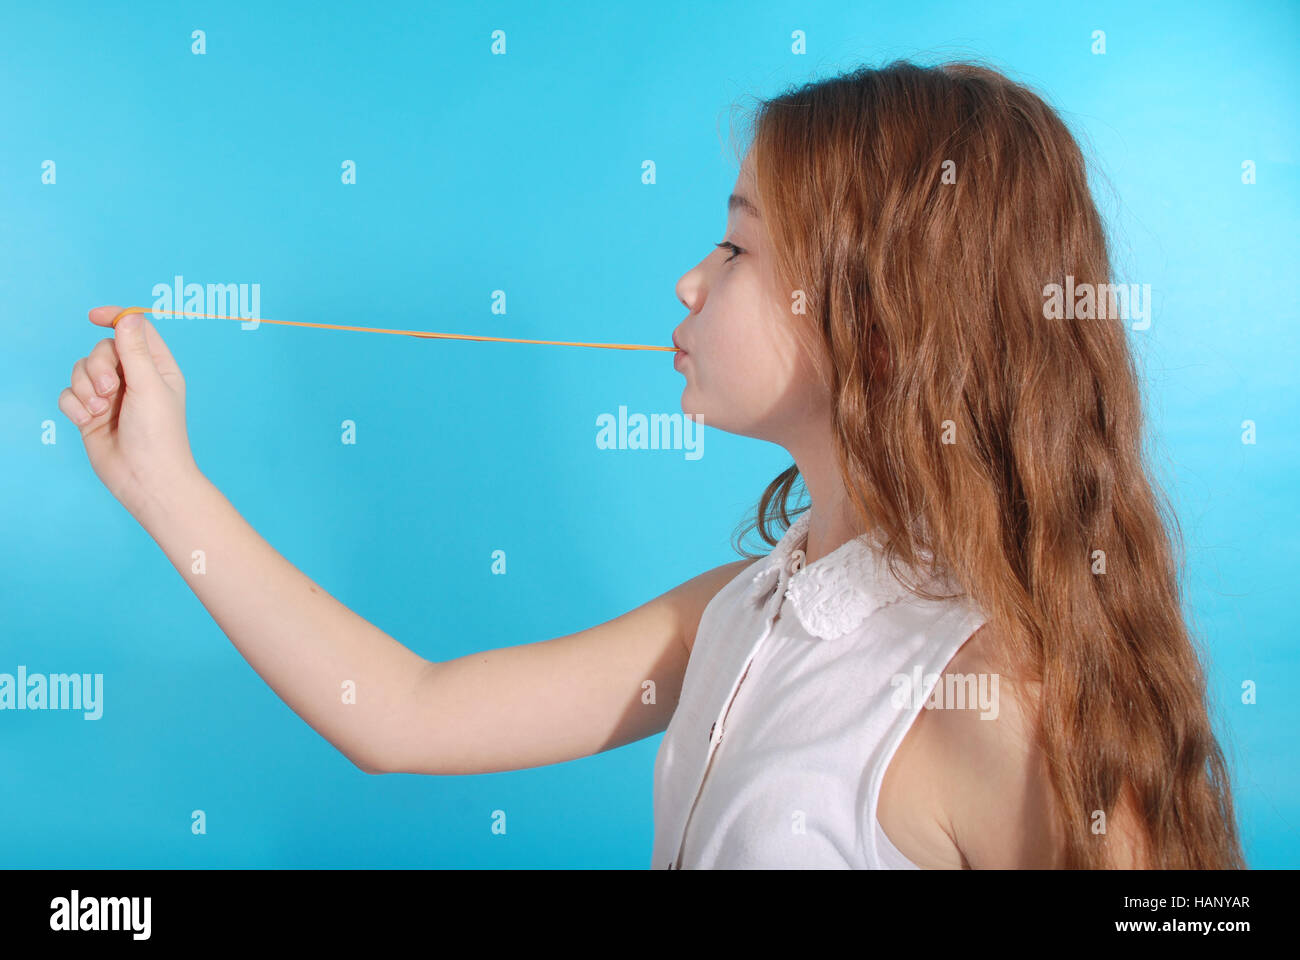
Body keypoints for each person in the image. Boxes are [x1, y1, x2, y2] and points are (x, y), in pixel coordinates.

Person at [58, 58, 1245, 869]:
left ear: (878, 326)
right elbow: (406, 716)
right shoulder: (744, 616)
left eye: (733, 245)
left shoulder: (994, 700)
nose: (688, 279)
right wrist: (160, 481)